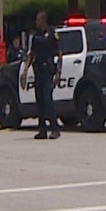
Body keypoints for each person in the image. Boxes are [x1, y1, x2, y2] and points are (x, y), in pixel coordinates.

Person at [27, 11, 61, 140]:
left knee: (48, 99)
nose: (36, 22)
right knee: (40, 100)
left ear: (43, 20)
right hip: (38, 71)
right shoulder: (36, 37)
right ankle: (42, 130)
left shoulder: (52, 33)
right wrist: (26, 68)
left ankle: (55, 128)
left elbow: (59, 53)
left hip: (48, 70)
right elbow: (32, 53)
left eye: (38, 20)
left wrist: (58, 72)